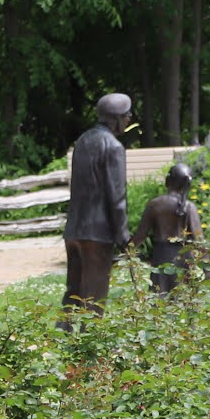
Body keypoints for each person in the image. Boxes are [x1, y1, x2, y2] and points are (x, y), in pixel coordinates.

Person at [62, 93, 131, 322]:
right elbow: (117, 196)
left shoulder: (82, 141)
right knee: (94, 299)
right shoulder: (113, 146)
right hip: (97, 235)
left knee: (72, 297)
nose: (129, 120)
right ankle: (90, 353)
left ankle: (62, 345)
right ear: (118, 118)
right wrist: (123, 236)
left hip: (74, 231)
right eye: (127, 115)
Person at [129, 163, 206, 294]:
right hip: (184, 256)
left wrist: (128, 250)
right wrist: (207, 268)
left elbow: (141, 235)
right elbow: (199, 239)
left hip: (161, 256)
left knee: (160, 295)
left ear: (167, 181)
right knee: (184, 297)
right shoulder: (189, 207)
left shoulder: (155, 205)